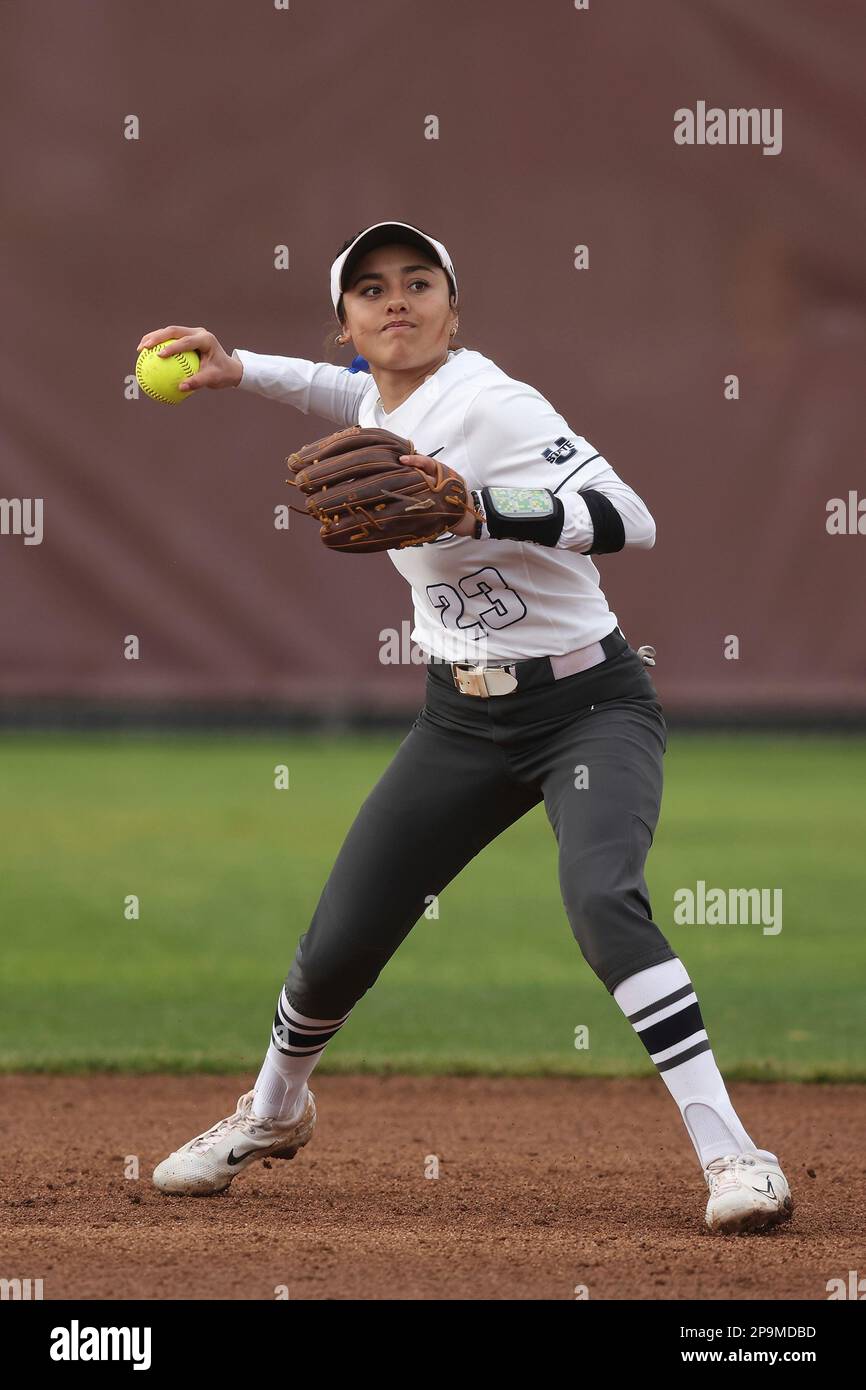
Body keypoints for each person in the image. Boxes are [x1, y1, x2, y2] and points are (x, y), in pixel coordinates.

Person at [140, 220, 792, 1235]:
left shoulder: (492, 403)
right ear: (347, 322)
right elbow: (339, 390)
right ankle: (270, 1114)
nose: (394, 299)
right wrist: (237, 369)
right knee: (340, 937)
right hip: (459, 721)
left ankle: (733, 1155)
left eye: (416, 281)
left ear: (453, 305)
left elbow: (629, 518)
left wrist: (479, 505)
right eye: (368, 289)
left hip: (587, 708)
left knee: (600, 901)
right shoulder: (374, 391)